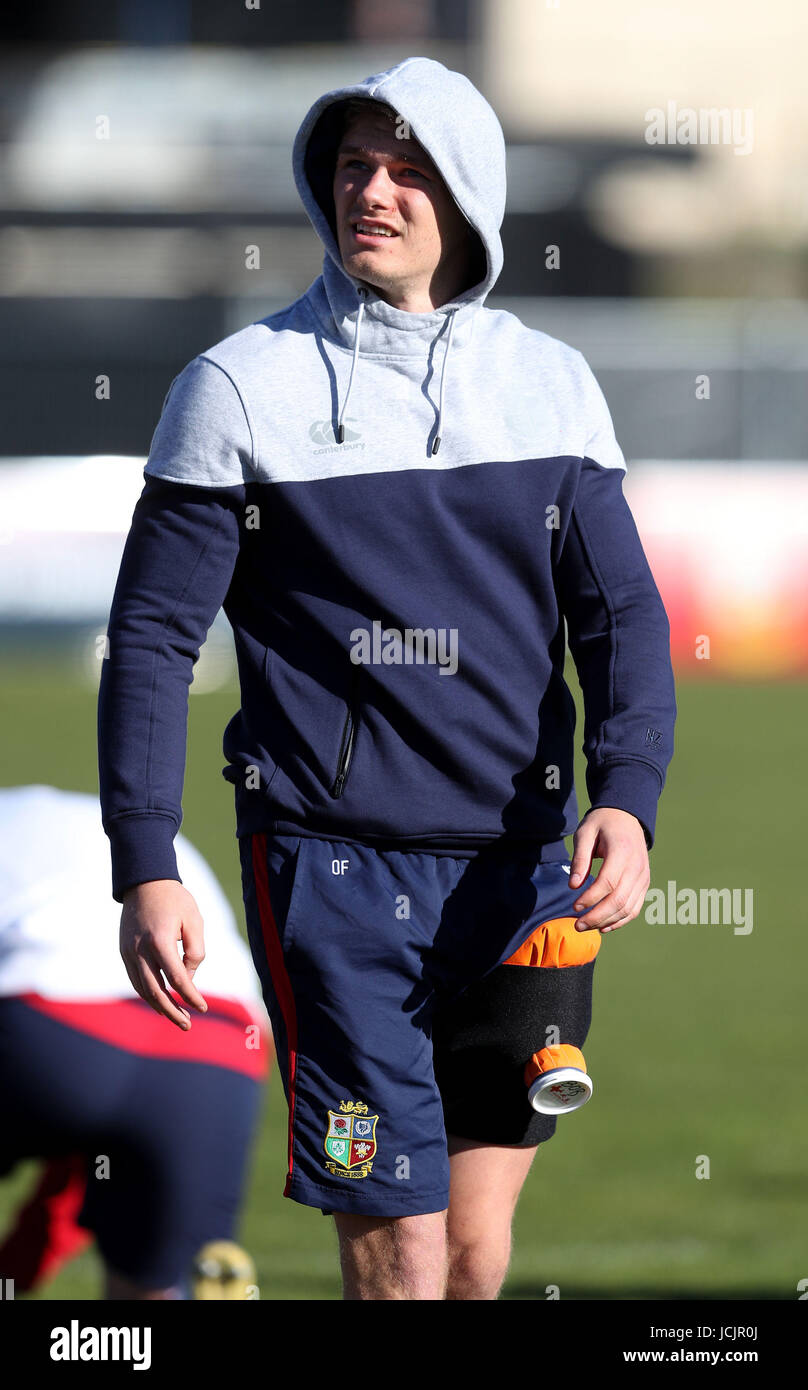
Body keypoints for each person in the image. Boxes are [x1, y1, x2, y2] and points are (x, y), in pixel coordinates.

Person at [98, 56, 676, 1300]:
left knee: (471, 1253)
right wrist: (146, 858)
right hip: (333, 876)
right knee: (398, 1247)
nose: (374, 190)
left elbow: (620, 616)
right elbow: (151, 636)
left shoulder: (551, 384)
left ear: (467, 194)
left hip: (529, 873)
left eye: (409, 170)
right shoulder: (237, 386)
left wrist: (626, 795)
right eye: (355, 164)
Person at [0, 785, 270, 1300]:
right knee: (153, 1301)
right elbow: (114, 1111)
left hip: (48, 1018)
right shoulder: (150, 844)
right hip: (218, 1047)